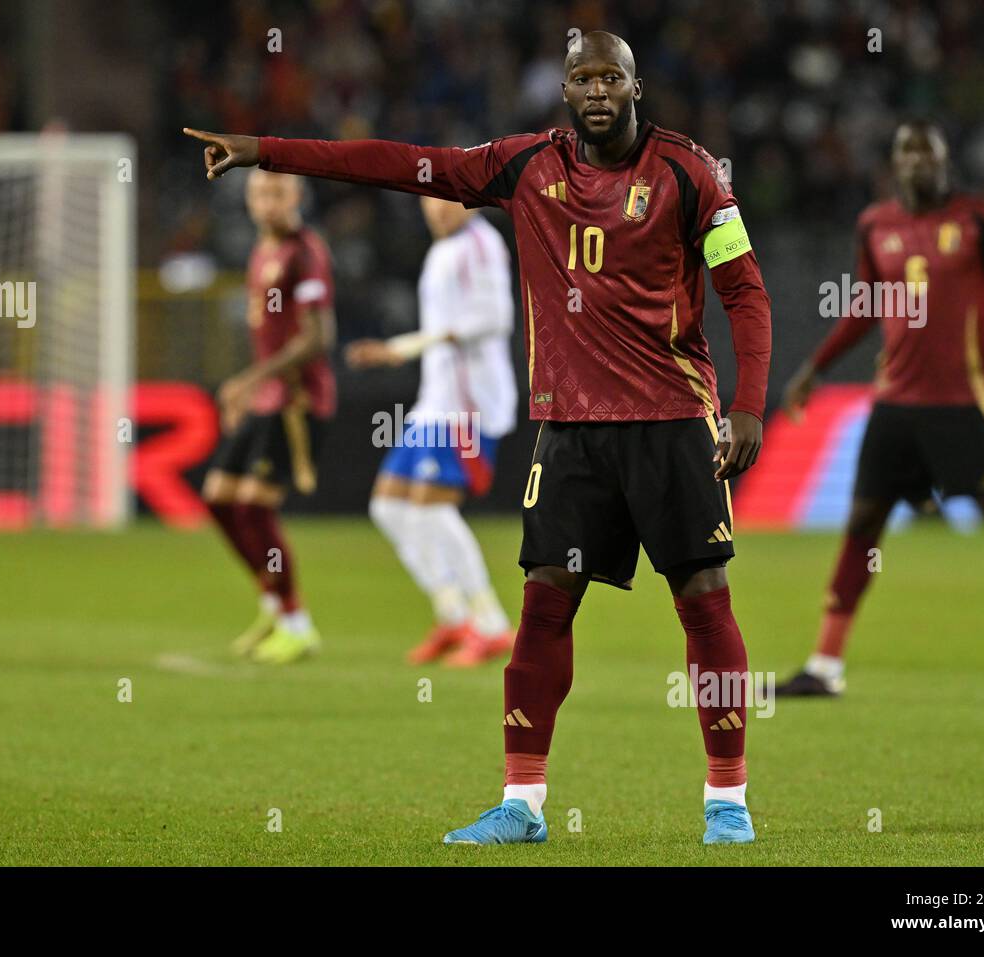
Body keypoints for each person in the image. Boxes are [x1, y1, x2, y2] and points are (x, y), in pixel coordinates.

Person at [185, 29, 772, 844]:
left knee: (704, 604)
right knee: (542, 609)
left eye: (612, 77)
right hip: (570, 430)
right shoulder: (526, 165)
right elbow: (395, 162)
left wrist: (747, 406)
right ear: (566, 91)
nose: (597, 90)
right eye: (582, 77)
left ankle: (728, 801)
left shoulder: (690, 171)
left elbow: (745, 292)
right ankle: (523, 803)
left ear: (636, 88)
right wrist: (264, 152)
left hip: (673, 422)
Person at [778, 120, 984, 702]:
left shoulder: (981, 218)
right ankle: (825, 665)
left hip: (965, 405)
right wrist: (816, 367)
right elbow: (865, 306)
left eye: (927, 152)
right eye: (906, 152)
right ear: (893, 163)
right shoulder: (875, 224)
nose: (917, 162)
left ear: (944, 160)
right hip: (895, 407)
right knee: (862, 525)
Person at [346, 196, 519, 667]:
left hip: (468, 405)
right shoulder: (442, 249)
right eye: (430, 200)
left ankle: (492, 625)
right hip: (435, 402)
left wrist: (401, 347)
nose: (438, 210)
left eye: (448, 200)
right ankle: (453, 614)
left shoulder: (481, 244)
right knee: (388, 506)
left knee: (430, 509)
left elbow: (496, 318)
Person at [202, 169, 336, 665]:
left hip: (299, 403)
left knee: (255, 505)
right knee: (218, 498)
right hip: (266, 399)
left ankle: (297, 624)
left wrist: (251, 379)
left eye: (277, 192)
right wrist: (251, 386)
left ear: (297, 195)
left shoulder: (306, 252)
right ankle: (274, 604)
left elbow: (319, 338)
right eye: (259, 193)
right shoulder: (261, 252)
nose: (267, 202)